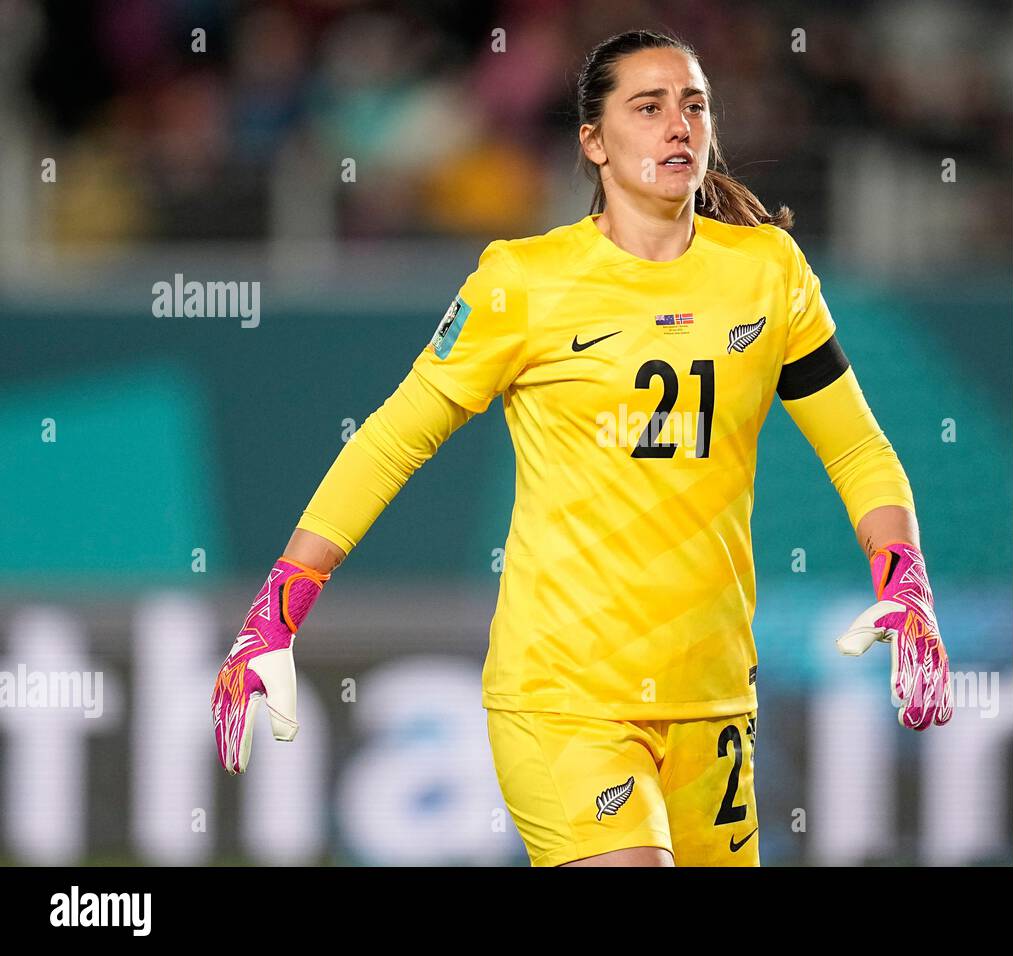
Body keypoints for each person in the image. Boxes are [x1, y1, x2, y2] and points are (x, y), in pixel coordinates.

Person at [211, 29, 953, 868]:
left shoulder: (767, 272)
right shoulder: (523, 283)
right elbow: (387, 444)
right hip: (564, 698)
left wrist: (905, 580)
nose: (678, 125)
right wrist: (278, 610)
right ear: (594, 142)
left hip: (713, 702)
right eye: (648, 107)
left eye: (694, 105)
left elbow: (857, 449)